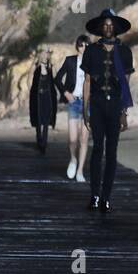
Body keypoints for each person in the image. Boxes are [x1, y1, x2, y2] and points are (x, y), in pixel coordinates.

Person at [80, 8, 135, 214]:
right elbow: (86, 81)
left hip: (115, 106)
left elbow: (126, 84)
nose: (109, 28)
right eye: (105, 25)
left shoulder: (125, 51)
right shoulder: (92, 50)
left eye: (112, 25)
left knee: (112, 153)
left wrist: (124, 112)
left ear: (117, 28)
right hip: (96, 103)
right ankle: (94, 195)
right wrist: (85, 110)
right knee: (97, 150)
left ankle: (106, 198)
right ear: (100, 28)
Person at [56, 35, 91, 182]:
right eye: (81, 45)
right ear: (77, 47)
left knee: (84, 139)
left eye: (86, 46)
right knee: (72, 139)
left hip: (88, 104)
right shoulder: (70, 61)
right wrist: (65, 93)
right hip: (74, 102)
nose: (84, 48)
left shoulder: (93, 63)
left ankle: (80, 171)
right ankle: (73, 159)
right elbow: (57, 78)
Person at [29, 47, 58, 154]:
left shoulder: (50, 66)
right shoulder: (36, 66)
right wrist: (31, 91)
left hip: (47, 96)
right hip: (37, 96)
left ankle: (44, 142)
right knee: (38, 118)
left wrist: (53, 65)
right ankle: (39, 139)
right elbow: (29, 78)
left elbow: (55, 78)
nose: (46, 55)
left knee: (46, 119)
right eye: (45, 53)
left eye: (48, 53)